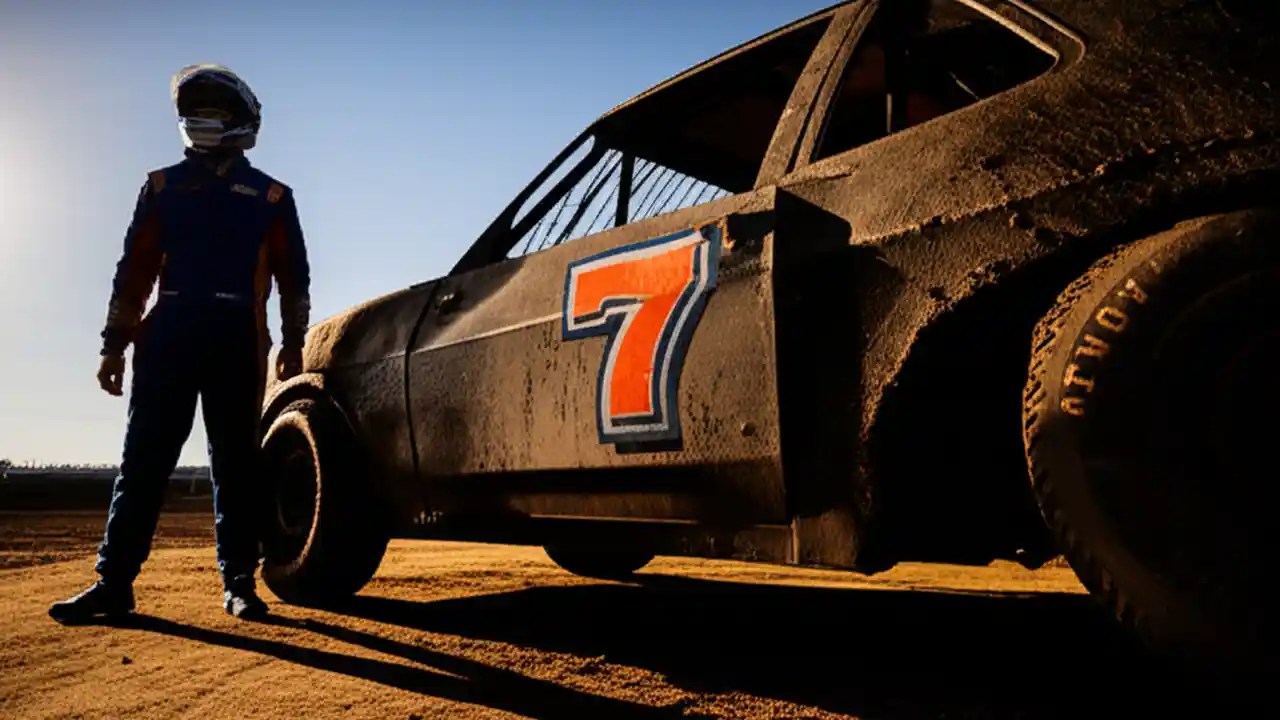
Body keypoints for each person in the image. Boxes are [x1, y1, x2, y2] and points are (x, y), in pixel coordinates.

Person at [49, 64, 311, 623]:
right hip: (167, 335)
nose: (204, 122)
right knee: (142, 462)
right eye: (197, 112)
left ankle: (239, 583)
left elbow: (295, 276)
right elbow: (133, 271)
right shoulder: (162, 186)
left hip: (239, 338)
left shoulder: (271, 196)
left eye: (216, 112)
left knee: (236, 465)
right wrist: (113, 344)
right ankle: (113, 582)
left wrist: (294, 341)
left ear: (242, 121)